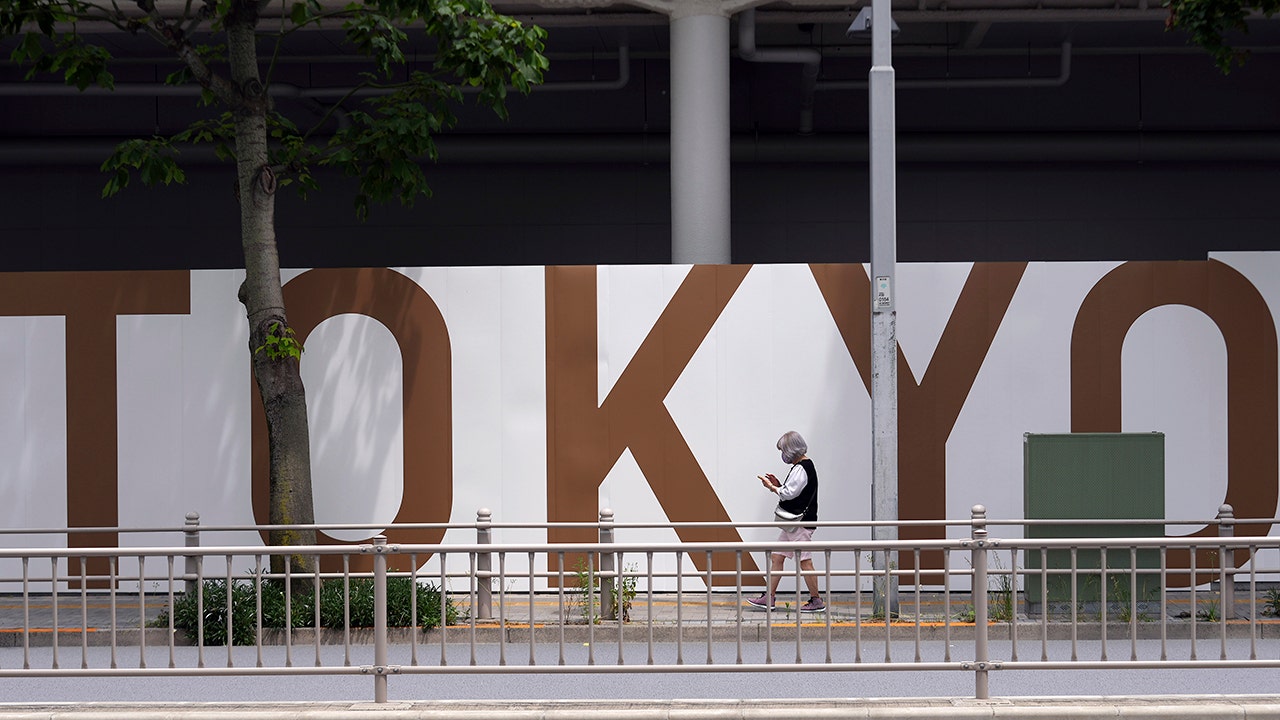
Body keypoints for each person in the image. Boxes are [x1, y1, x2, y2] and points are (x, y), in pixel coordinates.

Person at [747, 430, 824, 613]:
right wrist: (779, 484)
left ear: (790, 449)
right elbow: (793, 491)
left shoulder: (802, 468)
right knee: (777, 556)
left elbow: (789, 494)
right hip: (794, 524)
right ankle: (769, 597)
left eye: (783, 450)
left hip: (799, 523)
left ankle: (816, 600)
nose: (782, 454)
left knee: (805, 562)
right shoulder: (803, 467)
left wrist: (772, 487)